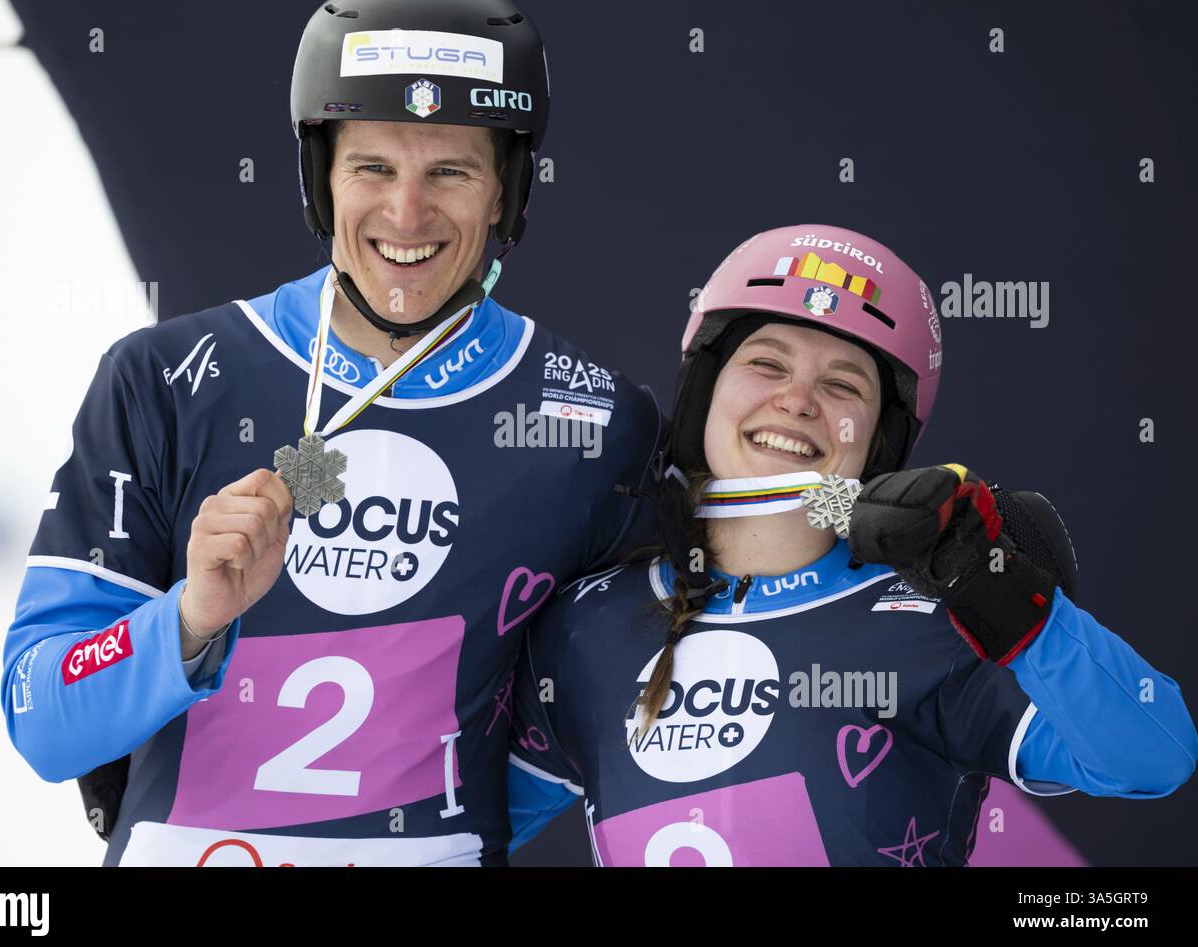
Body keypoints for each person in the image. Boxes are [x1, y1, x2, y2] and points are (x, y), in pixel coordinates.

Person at [0, 0, 661, 867]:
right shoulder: (162, 380)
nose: (407, 212)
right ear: (321, 178)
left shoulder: (598, 426)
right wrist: (188, 624)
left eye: (452, 173)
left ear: (508, 188)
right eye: (373, 167)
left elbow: (607, 709)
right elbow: (41, 720)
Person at [507, 224, 1197, 865]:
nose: (799, 400)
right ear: (702, 394)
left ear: (878, 443)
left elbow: (1152, 758)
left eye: (842, 385)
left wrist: (1013, 605)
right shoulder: (585, 626)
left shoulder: (939, 622)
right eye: (767, 363)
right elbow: (450, 833)